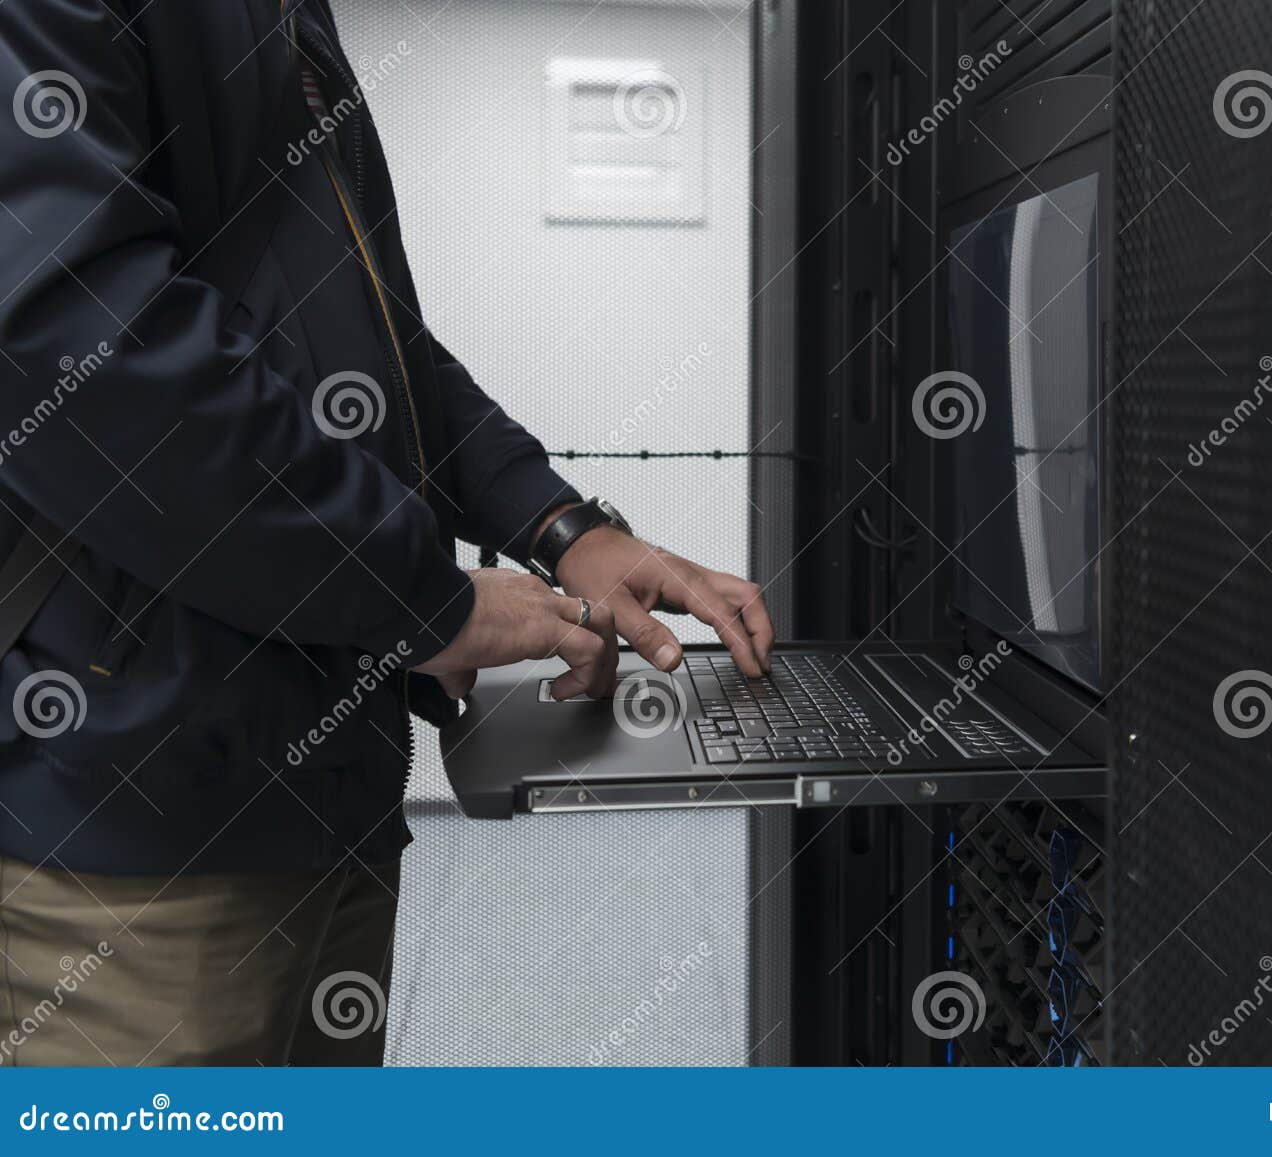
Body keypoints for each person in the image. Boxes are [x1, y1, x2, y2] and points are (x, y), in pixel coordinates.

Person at [0, 0, 771, 1065]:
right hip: (131, 825)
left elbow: (377, 357)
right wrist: (427, 599)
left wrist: (561, 526)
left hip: (327, 779)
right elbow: (91, 361)